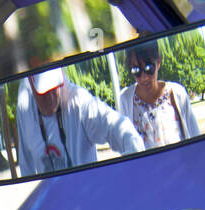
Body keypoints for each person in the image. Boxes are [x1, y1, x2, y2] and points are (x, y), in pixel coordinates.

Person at [16, 68, 144, 176]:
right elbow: (26, 166)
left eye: (54, 87)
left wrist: (135, 169)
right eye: (43, 91)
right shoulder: (24, 107)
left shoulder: (79, 101)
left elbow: (121, 128)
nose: (50, 97)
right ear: (31, 84)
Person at [117, 41, 201, 148]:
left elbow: (196, 137)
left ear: (158, 62)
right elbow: (126, 147)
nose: (144, 77)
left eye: (149, 68)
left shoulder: (177, 93)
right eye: (136, 70)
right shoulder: (126, 99)